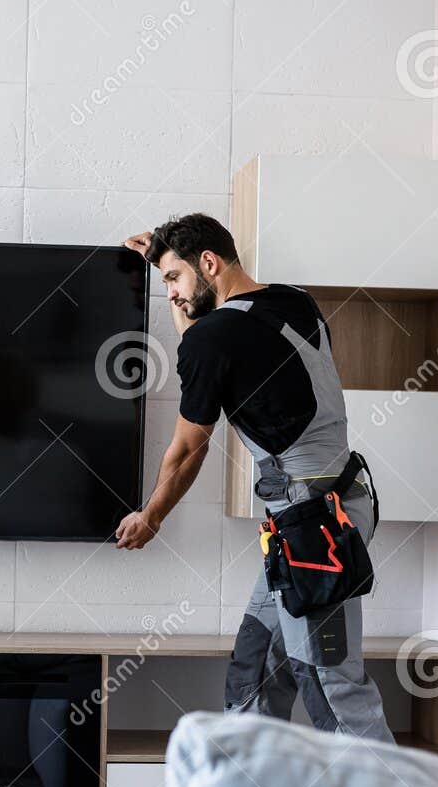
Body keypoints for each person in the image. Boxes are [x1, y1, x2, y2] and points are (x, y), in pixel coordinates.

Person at [115, 214, 392, 742]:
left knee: (332, 686)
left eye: (174, 280)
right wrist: (165, 258)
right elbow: (214, 338)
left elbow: (186, 450)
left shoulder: (211, 341)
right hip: (337, 503)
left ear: (209, 265)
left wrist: (151, 515)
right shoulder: (293, 300)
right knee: (257, 665)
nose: (169, 293)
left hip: (316, 530)